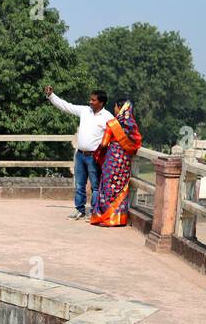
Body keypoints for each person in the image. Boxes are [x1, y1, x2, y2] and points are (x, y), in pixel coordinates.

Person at [44, 85, 113, 220]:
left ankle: (94, 212)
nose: (90, 102)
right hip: (80, 155)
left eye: (93, 100)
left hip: (94, 157)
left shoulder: (108, 117)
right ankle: (80, 210)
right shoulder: (85, 111)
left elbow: (116, 135)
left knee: (95, 186)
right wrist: (51, 96)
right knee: (79, 185)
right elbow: (66, 106)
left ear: (101, 102)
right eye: (90, 99)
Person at [89, 100, 142, 227]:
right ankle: (119, 218)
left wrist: (97, 154)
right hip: (124, 162)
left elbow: (103, 143)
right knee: (120, 187)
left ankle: (107, 217)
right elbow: (135, 143)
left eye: (115, 107)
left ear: (119, 107)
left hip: (112, 161)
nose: (114, 109)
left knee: (108, 187)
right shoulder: (131, 125)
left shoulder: (113, 124)